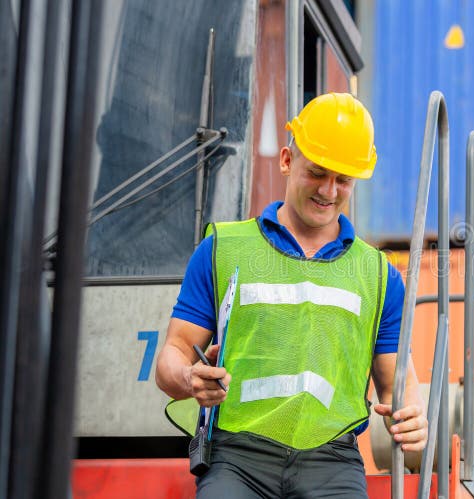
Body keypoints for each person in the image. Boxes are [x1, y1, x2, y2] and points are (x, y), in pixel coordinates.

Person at [155, 92, 426, 498]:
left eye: (343, 179)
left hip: (332, 463)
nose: (329, 191)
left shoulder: (380, 276)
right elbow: (172, 356)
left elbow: (396, 384)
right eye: (317, 173)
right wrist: (189, 377)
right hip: (238, 459)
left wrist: (413, 415)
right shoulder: (223, 250)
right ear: (286, 160)